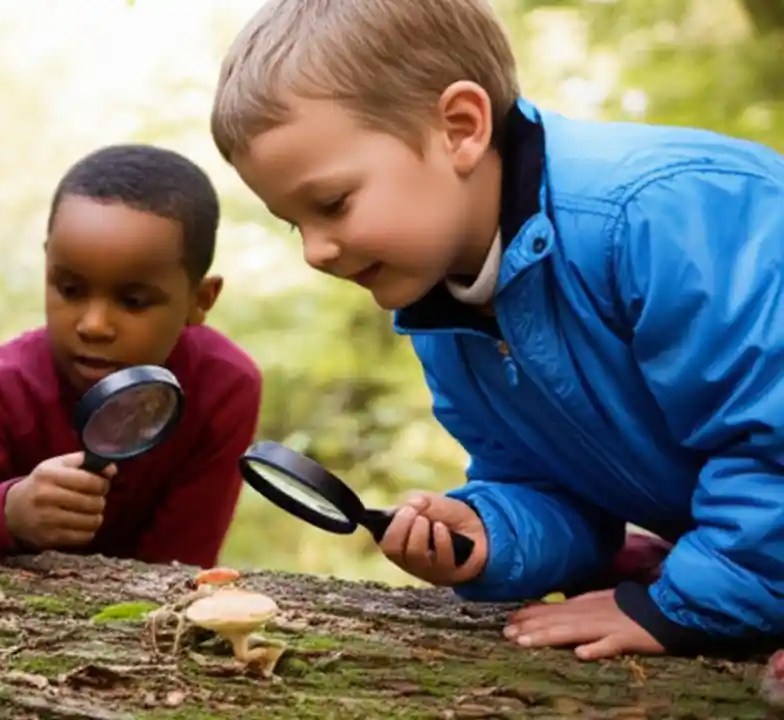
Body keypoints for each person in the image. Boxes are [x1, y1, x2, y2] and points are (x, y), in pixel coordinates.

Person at [209, 0, 784, 660]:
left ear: (460, 128)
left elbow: (773, 439)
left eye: (333, 204)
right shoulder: (444, 318)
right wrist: (490, 534)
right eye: (294, 223)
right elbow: (551, 491)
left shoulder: (659, 218)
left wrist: (676, 608)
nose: (314, 251)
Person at [0, 144, 262, 569]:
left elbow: (181, 562)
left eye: (133, 301)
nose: (93, 325)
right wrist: (10, 512)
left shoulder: (222, 386)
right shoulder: (9, 383)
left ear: (200, 300)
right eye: (69, 290)